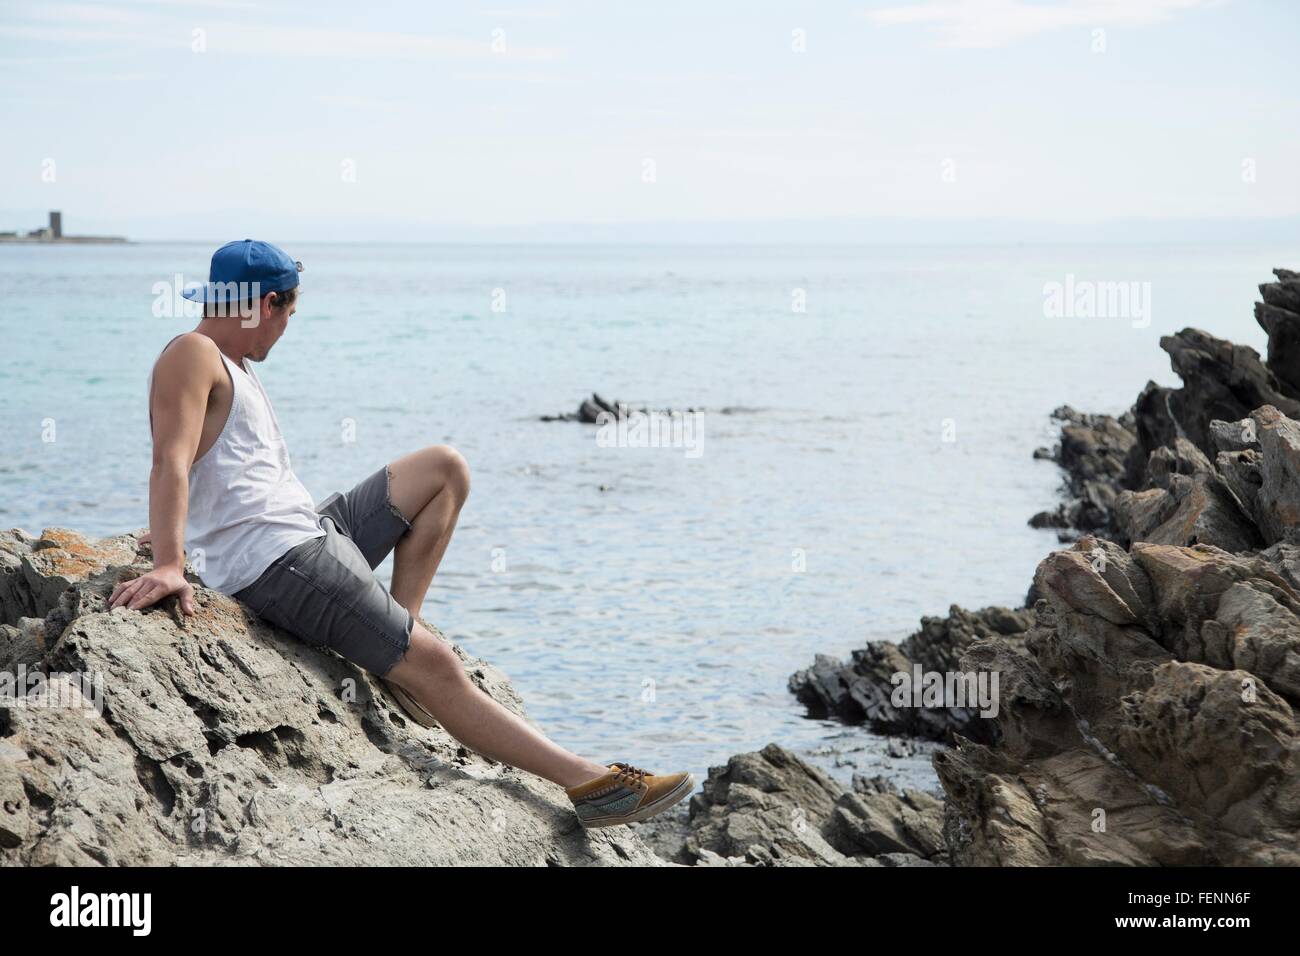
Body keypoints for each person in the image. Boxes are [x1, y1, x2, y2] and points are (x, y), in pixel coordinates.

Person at [110, 239, 692, 829]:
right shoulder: (193, 352)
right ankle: (590, 783)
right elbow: (171, 461)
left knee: (445, 468)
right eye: (289, 313)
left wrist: (182, 533)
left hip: (307, 528)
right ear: (264, 304)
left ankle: (399, 627)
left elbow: (218, 471)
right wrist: (168, 562)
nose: (287, 329)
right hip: (279, 559)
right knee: (437, 664)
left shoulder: (234, 365)